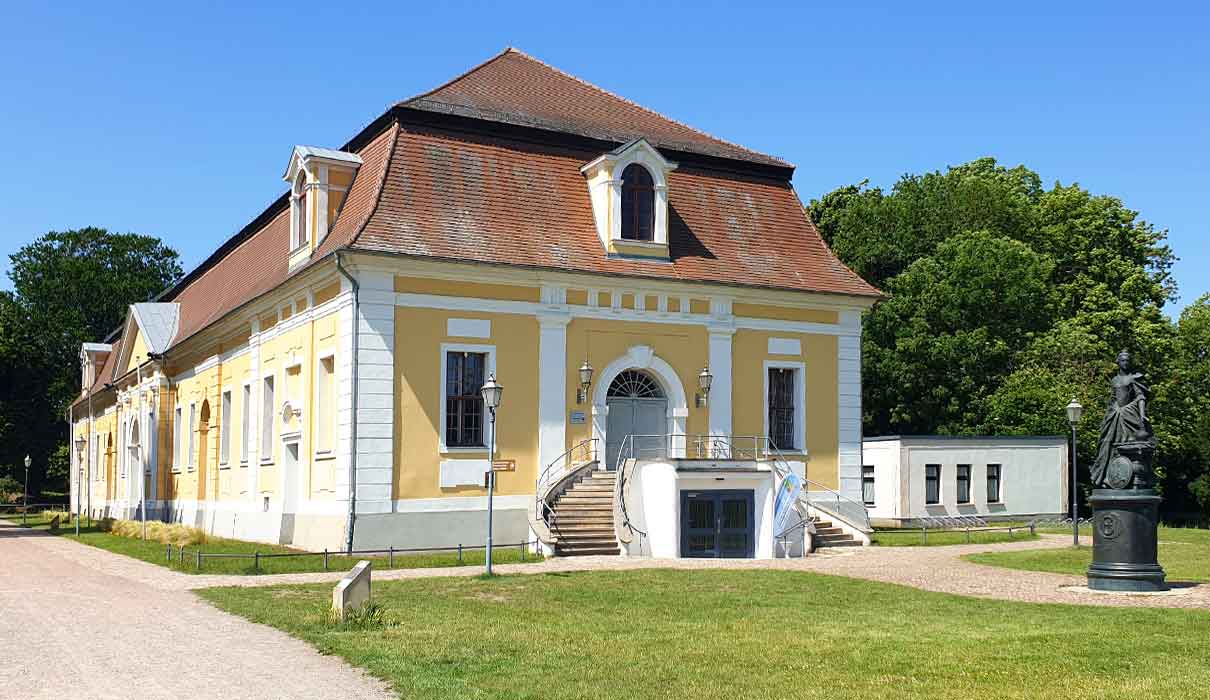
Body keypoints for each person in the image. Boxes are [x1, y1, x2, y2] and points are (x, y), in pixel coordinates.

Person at [1090, 350, 1154, 488]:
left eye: (1128, 360)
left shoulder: (1134, 378)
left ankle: (1131, 479)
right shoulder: (1114, 380)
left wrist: (1142, 415)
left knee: (1128, 446)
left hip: (1129, 415)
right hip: (1114, 415)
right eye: (1123, 360)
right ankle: (1107, 478)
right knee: (1107, 444)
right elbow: (1113, 398)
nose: (1126, 363)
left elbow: (1140, 397)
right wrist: (1109, 414)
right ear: (1118, 362)